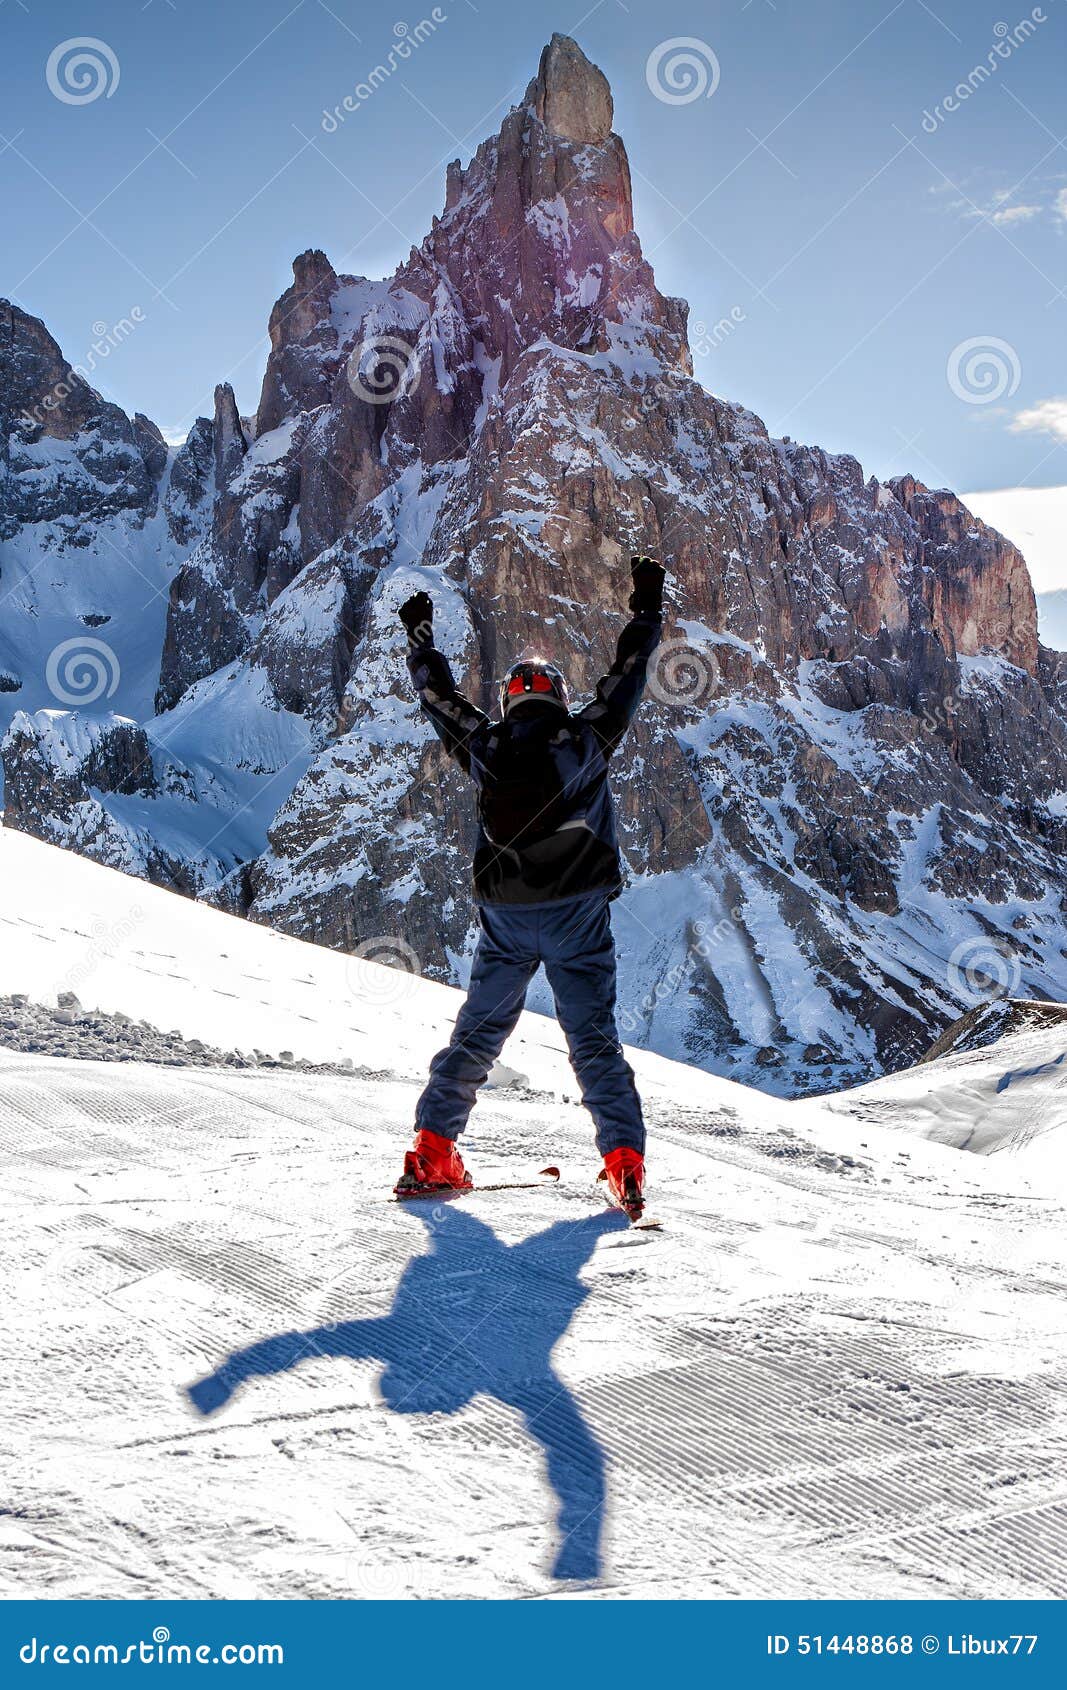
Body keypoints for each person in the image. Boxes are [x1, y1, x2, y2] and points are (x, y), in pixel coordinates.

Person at [393, 555, 665, 1218]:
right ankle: (622, 1161)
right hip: (577, 916)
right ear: (559, 698)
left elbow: (439, 702)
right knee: (592, 1036)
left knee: (478, 1032)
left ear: (511, 700)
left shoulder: (486, 745)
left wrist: (421, 642)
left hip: (507, 918)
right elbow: (627, 675)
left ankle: (433, 1151)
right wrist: (646, 606)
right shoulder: (587, 736)